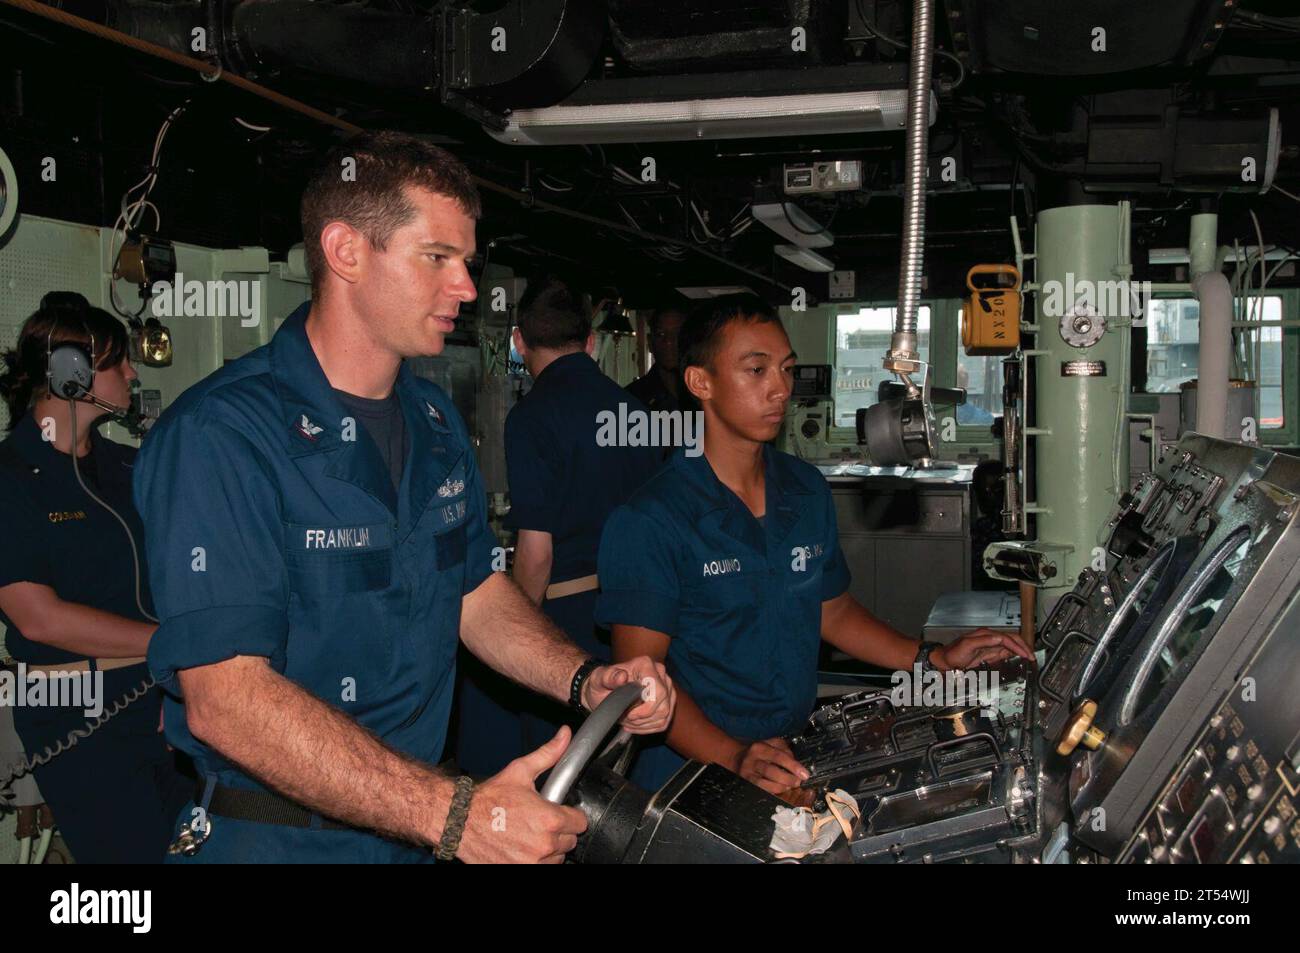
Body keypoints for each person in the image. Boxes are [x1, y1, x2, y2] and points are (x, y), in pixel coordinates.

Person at [133, 131, 675, 863]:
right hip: (278, 840)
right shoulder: (222, 436)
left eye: (467, 263)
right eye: (437, 258)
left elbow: (473, 593)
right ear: (347, 251)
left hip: (411, 833)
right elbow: (227, 701)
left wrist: (584, 678)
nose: (468, 288)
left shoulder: (432, 422)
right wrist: (455, 814)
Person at [595, 295, 1032, 794]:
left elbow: (833, 611)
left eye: (785, 369)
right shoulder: (650, 520)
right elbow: (640, 686)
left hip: (790, 751)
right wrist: (732, 756)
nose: (780, 387)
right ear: (701, 382)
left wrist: (932, 659)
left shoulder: (804, 489)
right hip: (689, 769)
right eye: (756, 370)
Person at [0, 293, 191, 862]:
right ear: (71, 375)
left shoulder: (129, 467)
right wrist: (168, 647)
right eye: (117, 362)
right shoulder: (12, 479)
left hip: (159, 702)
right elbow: (38, 615)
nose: (132, 372)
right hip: (76, 711)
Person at [457, 275, 663, 776]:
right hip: (638, 614)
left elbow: (536, 552)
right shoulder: (635, 410)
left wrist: (519, 630)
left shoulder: (531, 417)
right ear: (590, 342)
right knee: (615, 767)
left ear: (519, 342)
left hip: (566, 616)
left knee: (557, 769)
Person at [626, 305, 686, 413]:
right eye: (660, 334)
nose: (668, 341)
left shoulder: (707, 394)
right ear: (650, 342)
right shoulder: (631, 399)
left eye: (677, 334)